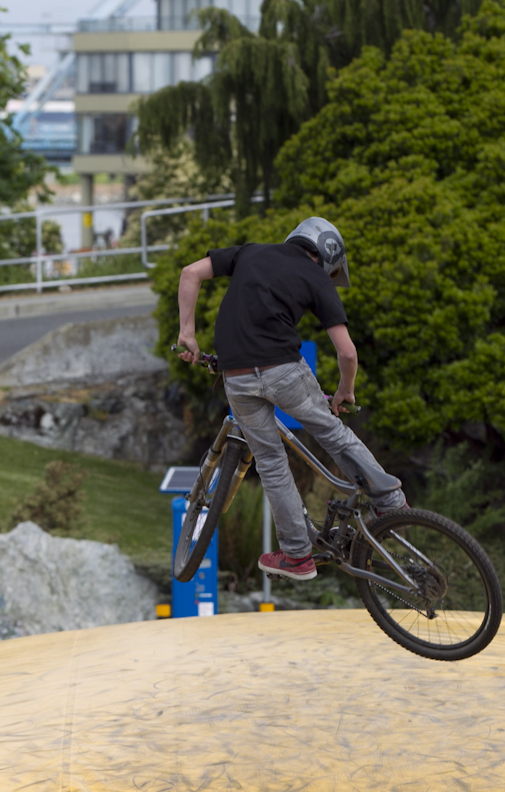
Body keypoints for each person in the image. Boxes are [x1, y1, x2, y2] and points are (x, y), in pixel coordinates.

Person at [173, 217, 406, 581]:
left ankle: (298, 556)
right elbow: (347, 353)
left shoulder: (249, 253)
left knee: (270, 462)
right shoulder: (315, 277)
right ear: (328, 257)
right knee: (332, 432)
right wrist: (346, 390)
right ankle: (390, 501)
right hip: (284, 371)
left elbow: (190, 273)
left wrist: (187, 331)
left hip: (236, 376)